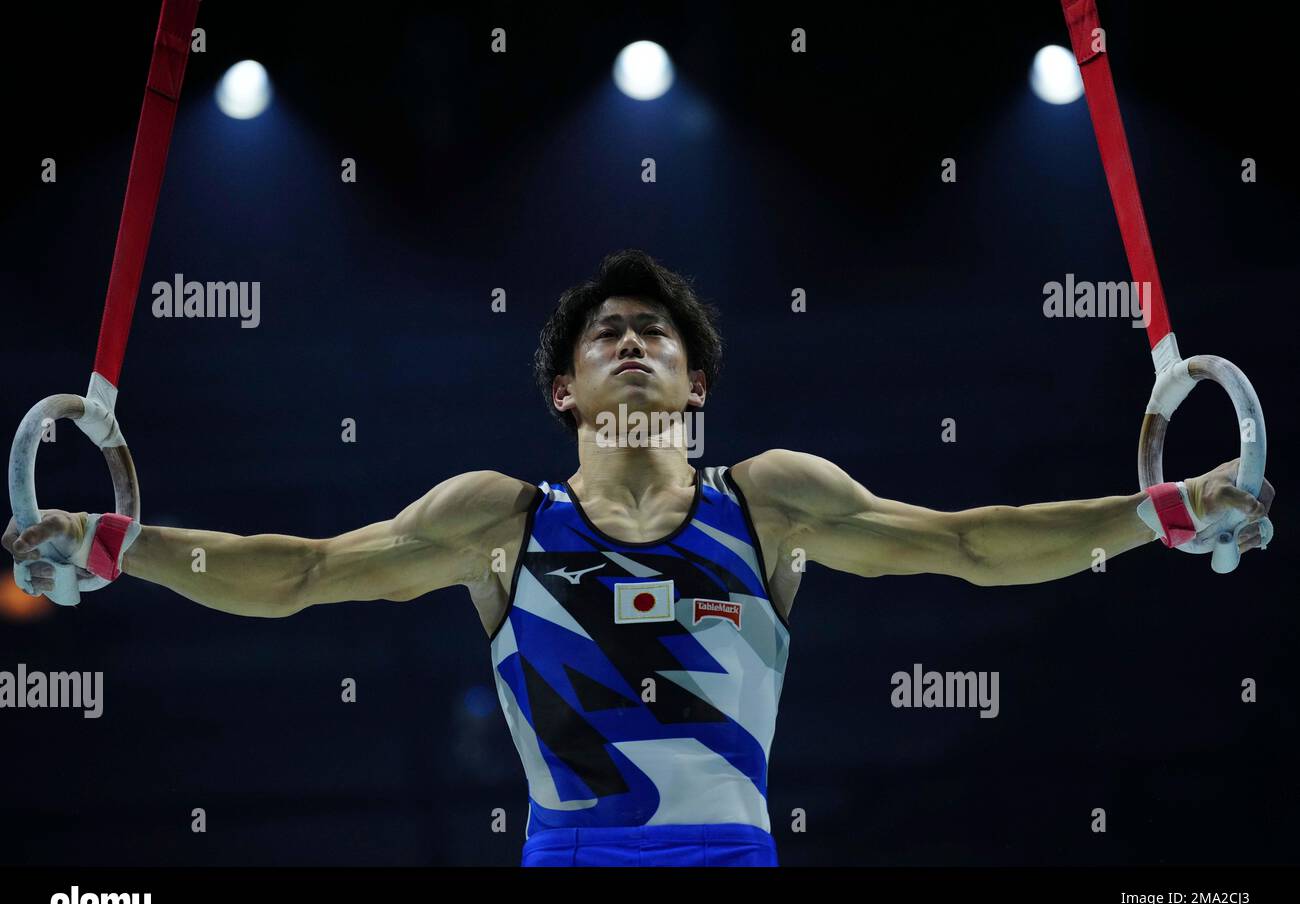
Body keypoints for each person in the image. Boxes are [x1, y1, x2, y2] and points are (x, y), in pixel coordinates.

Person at [4, 248, 1276, 867]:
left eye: (656, 334)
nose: (630, 342)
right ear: (563, 389)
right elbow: (299, 571)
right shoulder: (498, 521)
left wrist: (1157, 512)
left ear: (695, 382)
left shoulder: (769, 504)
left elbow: (969, 546)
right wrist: (117, 544)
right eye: (605, 333)